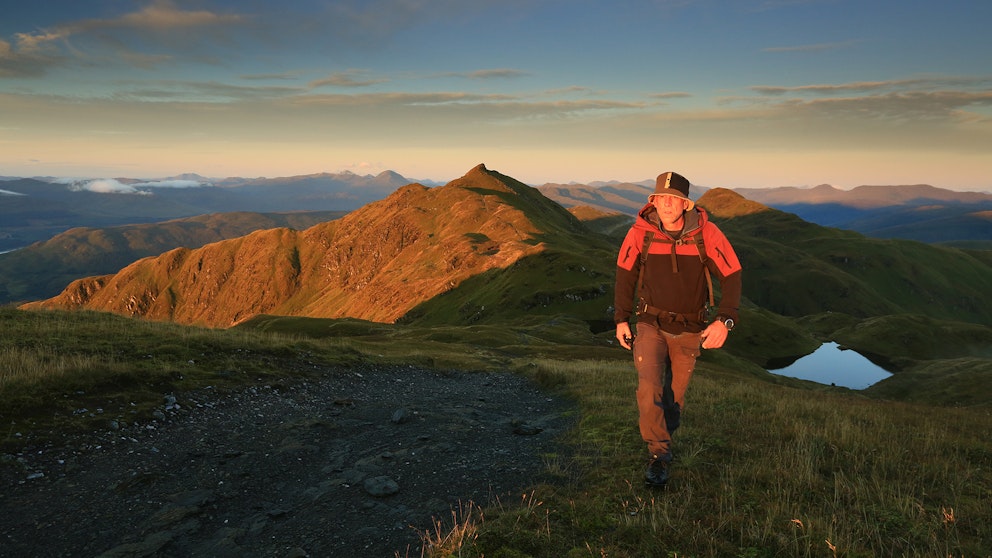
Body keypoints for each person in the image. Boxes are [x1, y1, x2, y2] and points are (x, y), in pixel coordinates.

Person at [614, 171, 742, 487]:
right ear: (653, 201)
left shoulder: (706, 234)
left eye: (675, 199)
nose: (667, 205)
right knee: (649, 388)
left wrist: (725, 320)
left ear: (685, 204)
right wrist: (620, 319)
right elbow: (625, 277)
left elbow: (732, 275)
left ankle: (663, 433)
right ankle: (658, 457)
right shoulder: (639, 234)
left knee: (673, 399)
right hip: (650, 323)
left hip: (690, 328)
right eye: (662, 198)